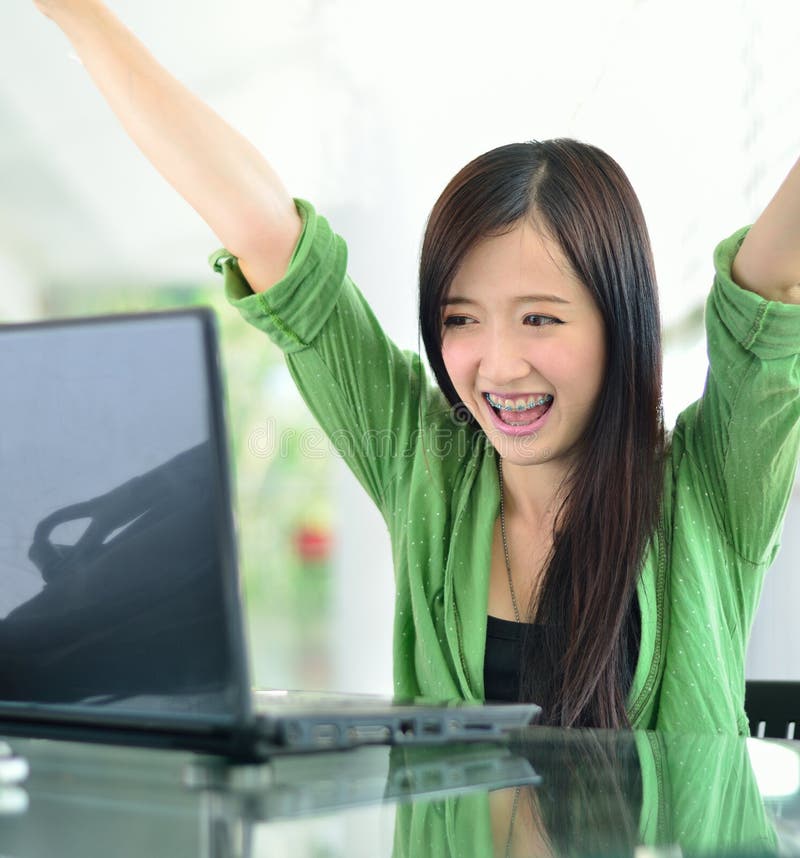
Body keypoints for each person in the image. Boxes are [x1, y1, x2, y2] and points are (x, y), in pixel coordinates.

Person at [33, 0, 800, 731]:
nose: (498, 365)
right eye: (461, 319)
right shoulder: (426, 471)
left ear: (619, 323)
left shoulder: (710, 488)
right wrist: (78, 14)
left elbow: (770, 287)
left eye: (539, 318)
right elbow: (264, 233)